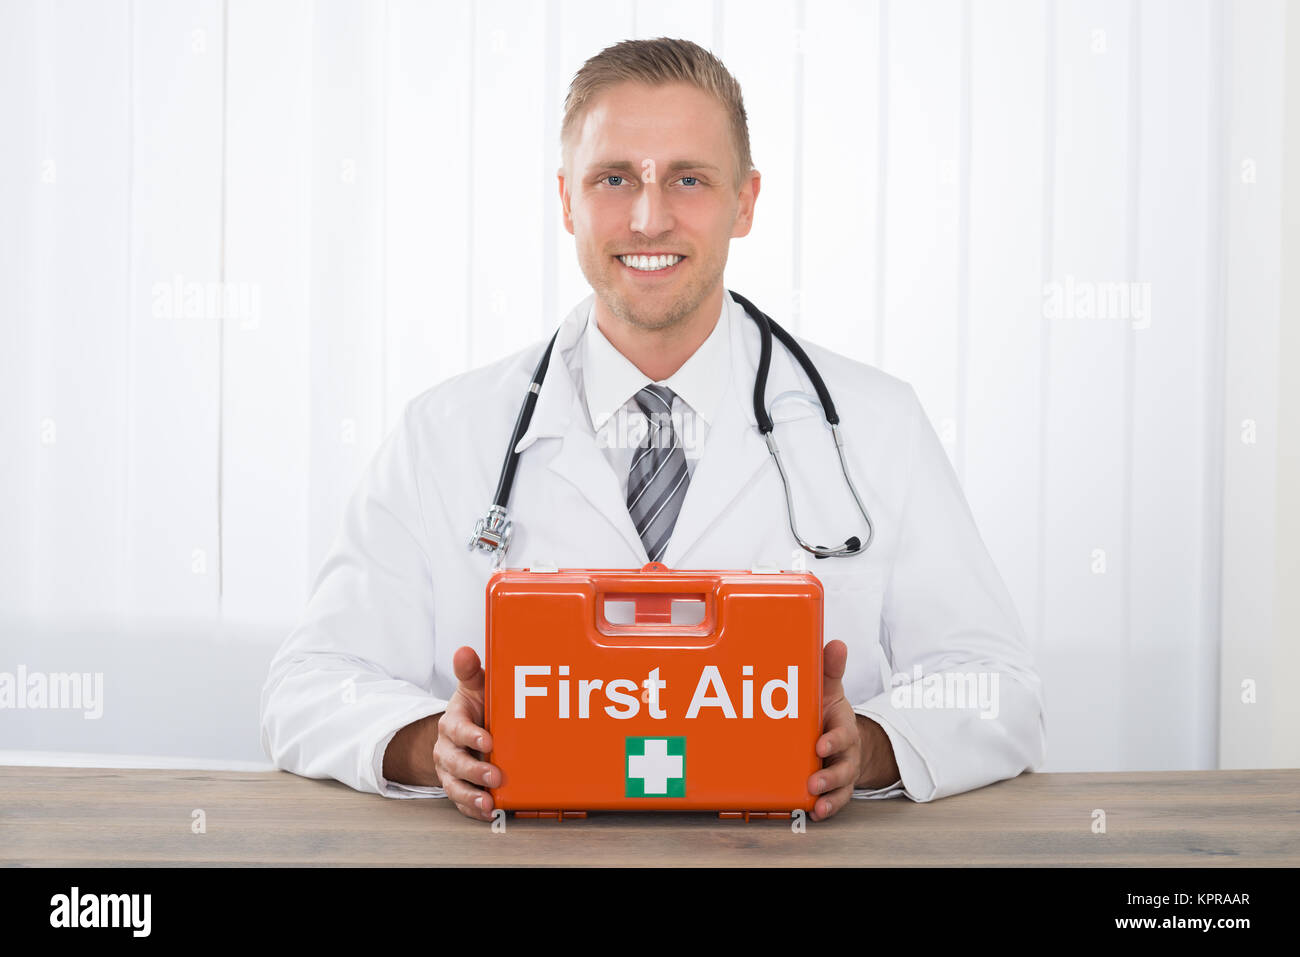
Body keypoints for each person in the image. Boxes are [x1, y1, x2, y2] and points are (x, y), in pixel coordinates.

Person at [260, 37, 1046, 823]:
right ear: (567, 201)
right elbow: (310, 683)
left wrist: (868, 745)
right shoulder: (445, 434)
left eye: (688, 178)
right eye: (614, 178)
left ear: (745, 201)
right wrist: (430, 742)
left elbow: (997, 686)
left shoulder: (877, 424)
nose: (649, 216)